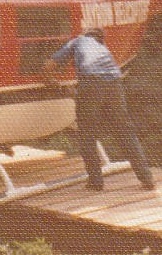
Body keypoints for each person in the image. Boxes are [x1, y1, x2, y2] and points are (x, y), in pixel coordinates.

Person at [43, 27, 154, 191]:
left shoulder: (77, 41)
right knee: (125, 132)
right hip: (114, 83)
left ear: (85, 34)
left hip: (90, 81)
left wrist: (56, 86)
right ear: (99, 39)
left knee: (87, 134)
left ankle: (96, 182)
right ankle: (147, 178)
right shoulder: (102, 48)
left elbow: (48, 67)